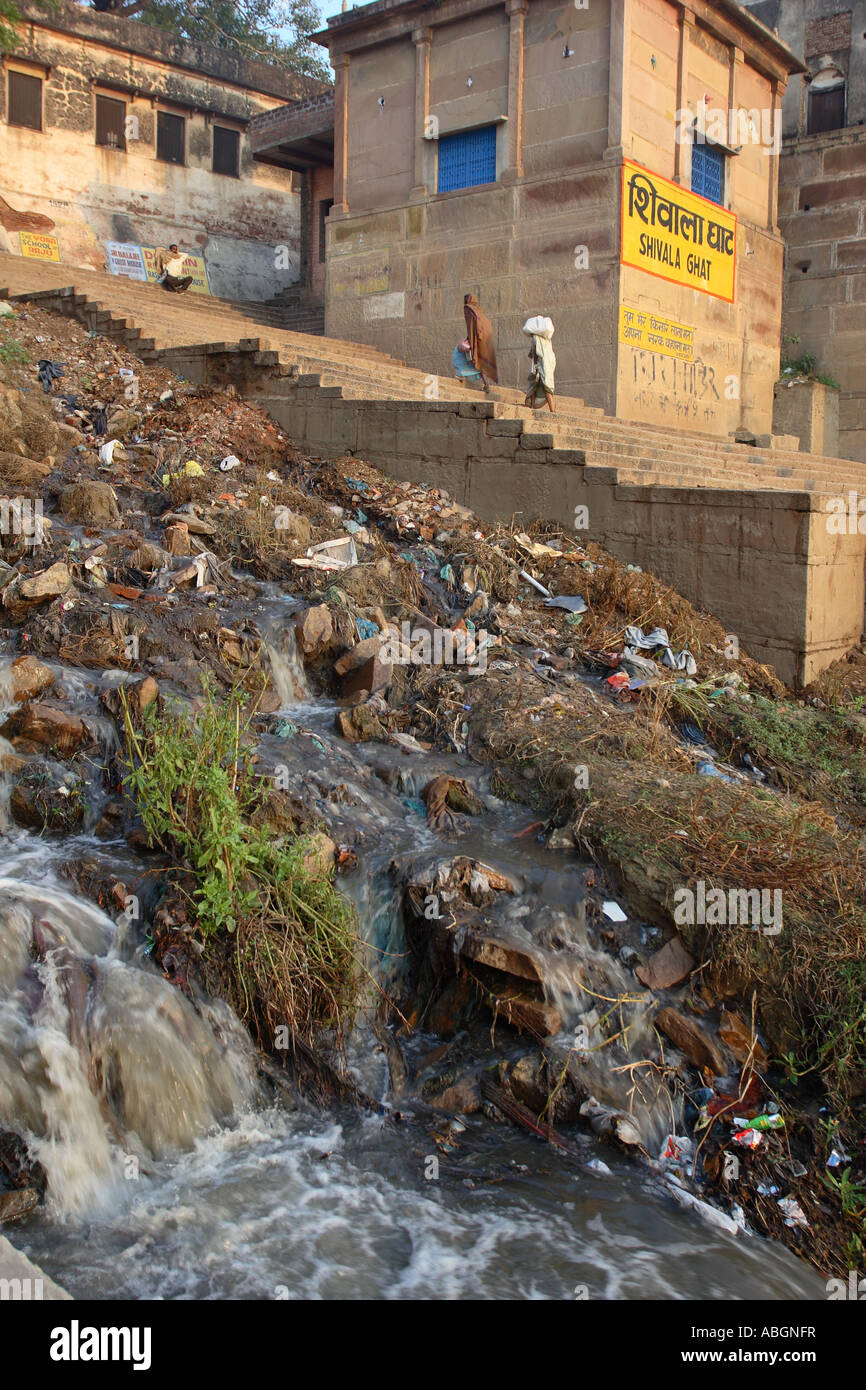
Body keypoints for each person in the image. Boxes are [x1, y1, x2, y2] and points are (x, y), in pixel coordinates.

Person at [463, 293, 498, 392]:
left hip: (479, 338)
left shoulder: (469, 309)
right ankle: (463, 375)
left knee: (477, 360)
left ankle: (486, 384)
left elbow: (476, 326)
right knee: (477, 359)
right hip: (485, 339)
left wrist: (476, 337)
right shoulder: (479, 311)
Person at [523, 314, 556, 413]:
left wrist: (535, 364)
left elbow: (535, 351)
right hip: (545, 364)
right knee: (536, 385)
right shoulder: (547, 339)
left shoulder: (536, 338)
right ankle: (535, 407)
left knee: (543, 386)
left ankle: (551, 409)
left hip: (540, 364)